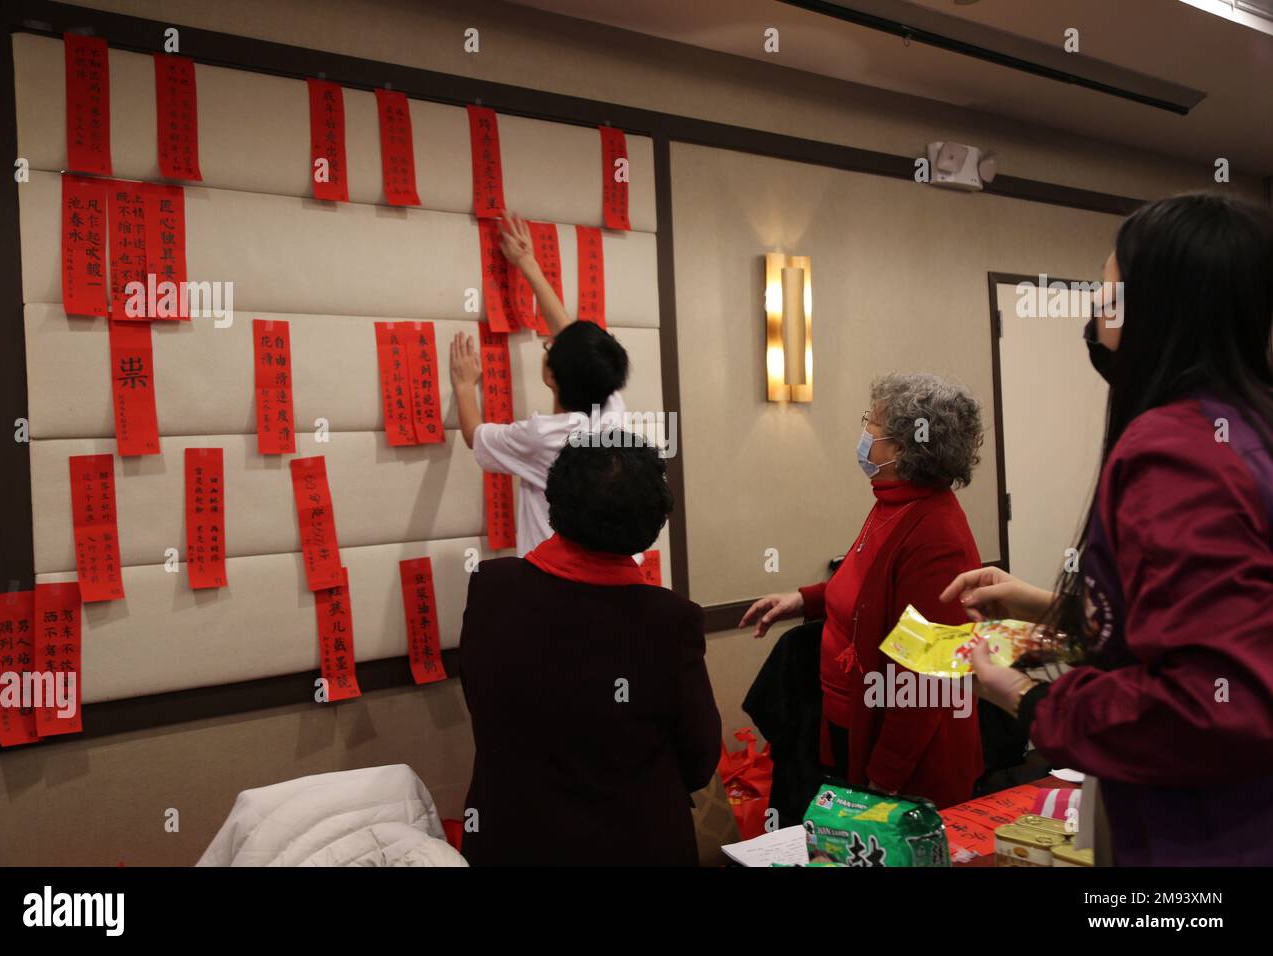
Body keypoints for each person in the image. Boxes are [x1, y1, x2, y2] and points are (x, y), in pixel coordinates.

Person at [943, 192, 1273, 865]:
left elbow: (1212, 698)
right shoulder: (1246, 426)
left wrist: (1032, 698)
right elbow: (1219, 618)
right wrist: (1048, 605)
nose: (1097, 313)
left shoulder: (1176, 450)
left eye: (1108, 291)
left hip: (1207, 836)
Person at [459, 433, 721, 865]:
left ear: (556, 498)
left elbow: (483, 699)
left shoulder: (492, 586)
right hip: (632, 845)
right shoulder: (670, 620)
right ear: (651, 520)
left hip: (509, 839)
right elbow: (700, 759)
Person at [739, 373, 985, 809]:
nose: (865, 434)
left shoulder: (936, 533)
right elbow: (864, 588)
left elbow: (928, 673)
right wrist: (804, 599)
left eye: (873, 425)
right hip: (852, 720)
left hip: (910, 761)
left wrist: (884, 778)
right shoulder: (891, 502)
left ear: (906, 448)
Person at [448, 212, 630, 556]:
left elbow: (475, 436)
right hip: (609, 579)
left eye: (548, 349)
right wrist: (527, 264)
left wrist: (463, 385)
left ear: (551, 377)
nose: (549, 344)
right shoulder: (610, 408)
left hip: (556, 585)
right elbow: (572, 343)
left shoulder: (541, 438)